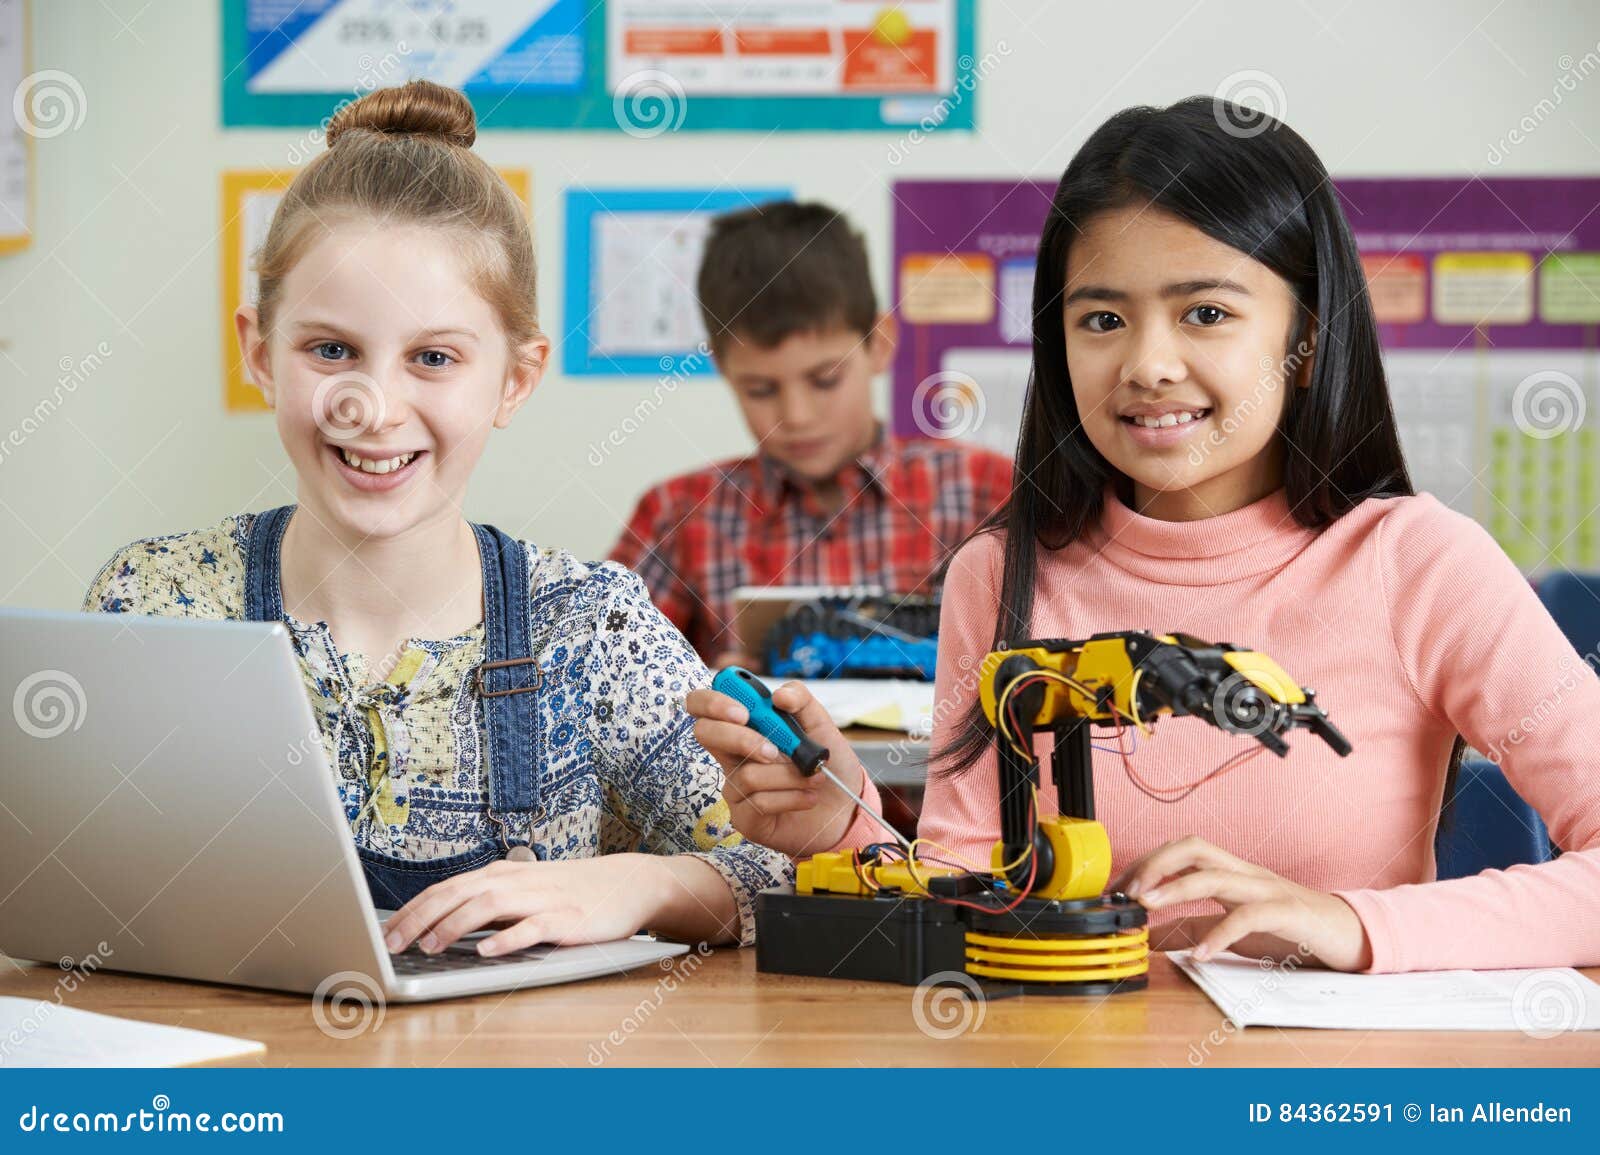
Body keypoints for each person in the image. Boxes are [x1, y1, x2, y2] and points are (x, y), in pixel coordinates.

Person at [686, 97, 1600, 974]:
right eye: (1103, 319)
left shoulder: (1419, 562)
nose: (1148, 365)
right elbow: (979, 901)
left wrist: (1348, 921)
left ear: (1309, 339)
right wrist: (842, 827)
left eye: (1206, 312)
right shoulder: (1001, 572)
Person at [83, 80, 790, 958]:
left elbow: (795, 874)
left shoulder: (592, 624)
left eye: (434, 357)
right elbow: (62, 882)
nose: (372, 409)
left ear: (515, 380)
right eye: (331, 350)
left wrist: (643, 881)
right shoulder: (155, 603)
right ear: (260, 353)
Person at [609, 200, 1012, 667]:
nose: (796, 416)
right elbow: (602, 694)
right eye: (761, 389)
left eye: (825, 379)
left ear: (878, 345)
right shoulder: (676, 516)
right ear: (723, 370)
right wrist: (695, 696)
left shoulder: (989, 492)